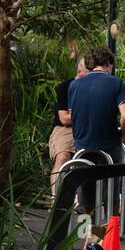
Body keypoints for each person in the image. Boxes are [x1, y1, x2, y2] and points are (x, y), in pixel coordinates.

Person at [68, 46, 125, 215]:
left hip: (82, 145)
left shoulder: (74, 85)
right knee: (111, 194)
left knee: (85, 196)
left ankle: (88, 236)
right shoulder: (116, 83)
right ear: (109, 64)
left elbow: (72, 116)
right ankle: (110, 233)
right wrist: (122, 135)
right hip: (109, 144)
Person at [50, 54, 86, 198]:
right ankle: (56, 197)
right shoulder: (65, 87)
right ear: (80, 72)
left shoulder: (95, 88)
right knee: (63, 157)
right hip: (65, 129)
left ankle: (82, 199)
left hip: (87, 128)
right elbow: (64, 118)